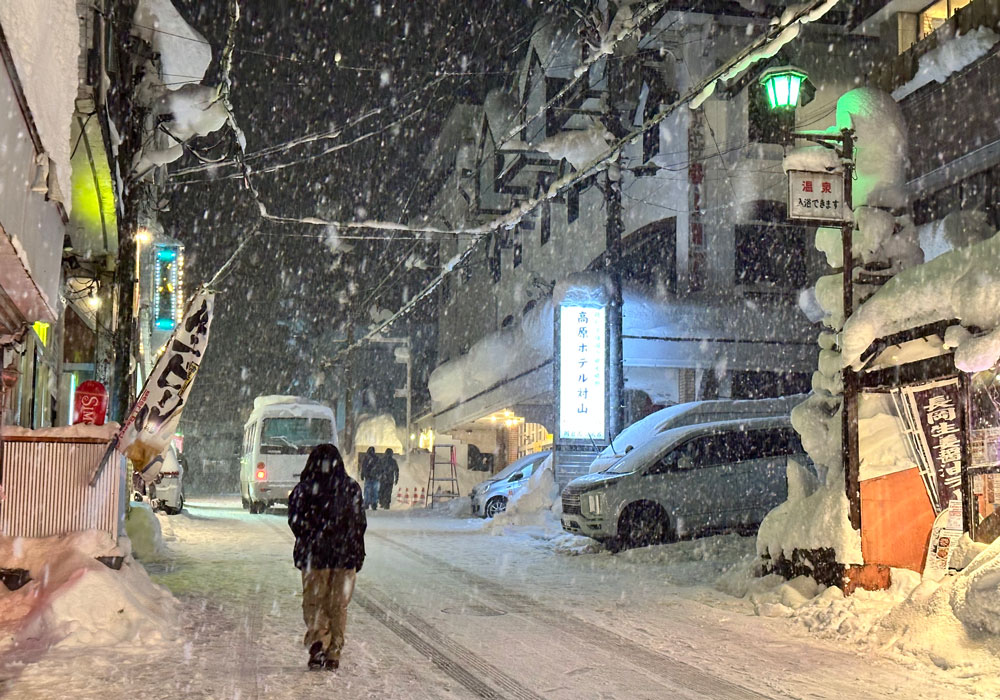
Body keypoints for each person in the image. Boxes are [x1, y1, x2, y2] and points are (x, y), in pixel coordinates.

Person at [288, 443, 366, 671]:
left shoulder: (304, 489)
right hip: (345, 557)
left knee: (314, 603)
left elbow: (295, 520)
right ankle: (334, 653)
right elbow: (360, 523)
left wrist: (310, 538)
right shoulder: (351, 488)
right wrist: (355, 550)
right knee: (338, 606)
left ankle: (318, 643)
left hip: (315, 557)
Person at [360, 446, 380, 510]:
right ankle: (374, 504)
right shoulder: (377, 458)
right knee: (375, 491)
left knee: (367, 491)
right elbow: (380, 468)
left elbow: (363, 467)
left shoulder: (366, 459)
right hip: (375, 478)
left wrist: (362, 475)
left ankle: (366, 503)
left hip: (368, 477)